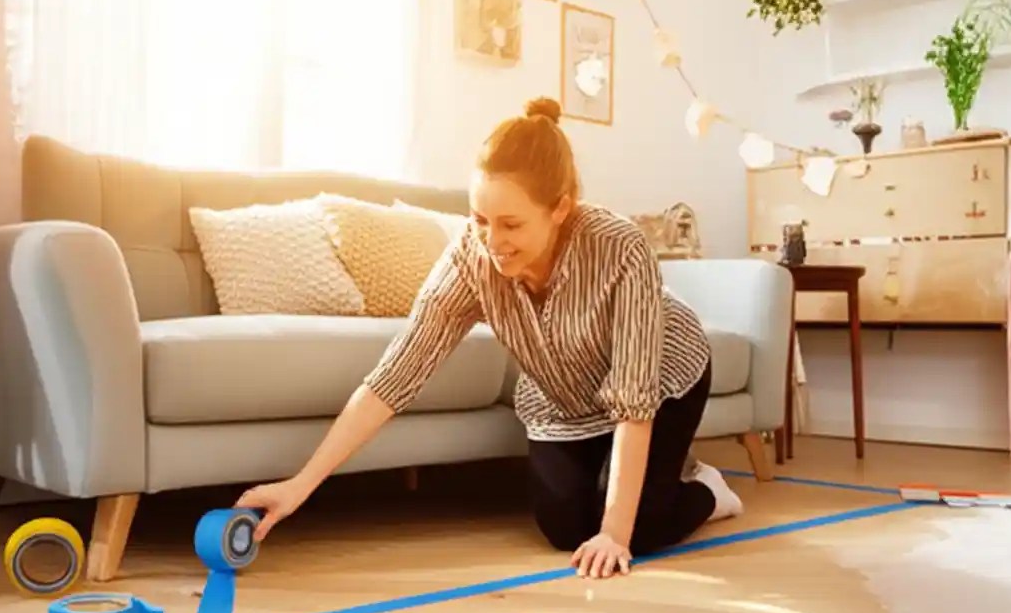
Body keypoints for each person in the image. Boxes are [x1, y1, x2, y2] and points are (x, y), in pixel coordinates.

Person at [235, 96, 743, 579]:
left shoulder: (619, 248)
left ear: (560, 209)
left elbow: (634, 404)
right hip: (564, 396)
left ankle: (707, 488)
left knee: (635, 527)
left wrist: (615, 534)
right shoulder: (471, 258)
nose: (493, 242)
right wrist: (300, 484)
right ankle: (640, 480)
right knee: (567, 528)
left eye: (511, 224)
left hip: (661, 376)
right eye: (480, 220)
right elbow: (394, 377)